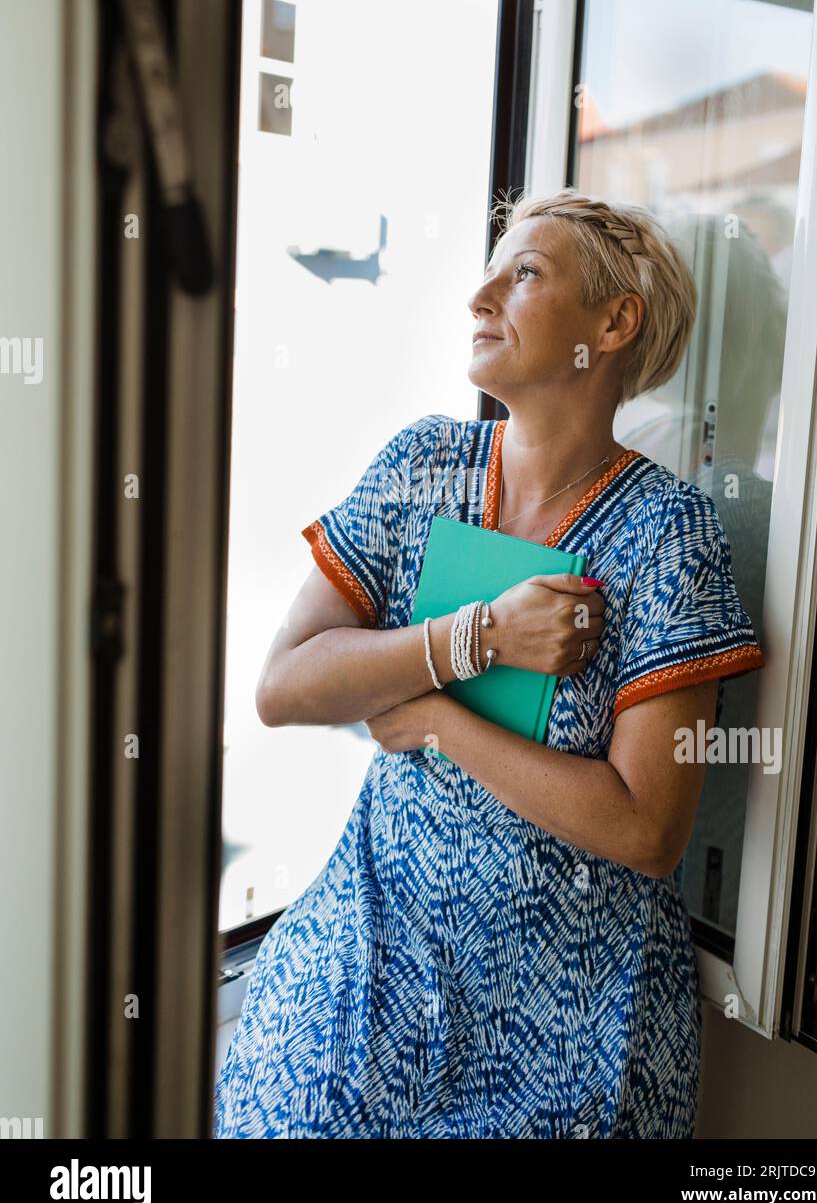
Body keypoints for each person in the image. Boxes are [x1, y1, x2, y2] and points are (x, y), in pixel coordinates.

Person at [212, 189, 765, 1139]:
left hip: (566, 1017)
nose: (478, 295)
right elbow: (284, 683)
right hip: (371, 960)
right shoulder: (423, 464)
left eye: (524, 273)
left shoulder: (670, 534)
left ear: (614, 322)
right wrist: (476, 640)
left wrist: (433, 718)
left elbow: (646, 829)